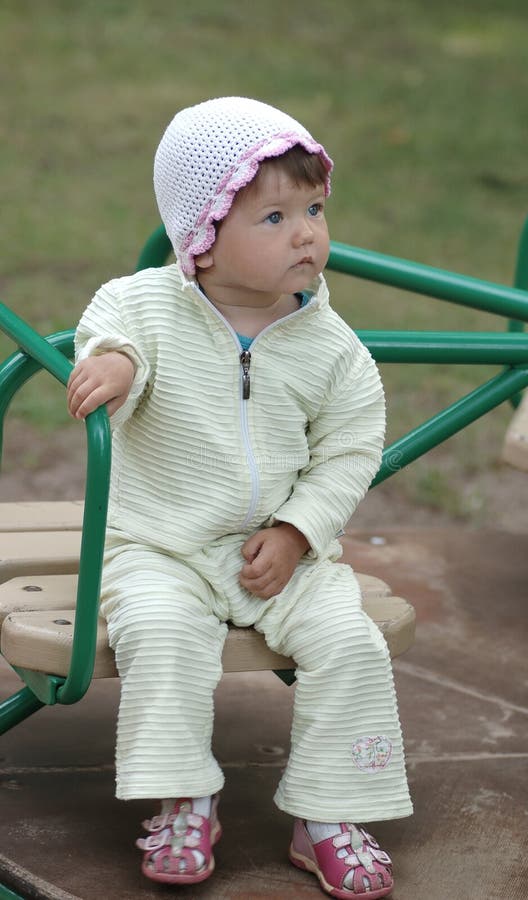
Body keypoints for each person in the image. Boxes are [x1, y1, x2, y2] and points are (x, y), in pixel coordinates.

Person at [67, 96, 412, 898]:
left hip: (284, 552)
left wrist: (297, 532)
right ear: (203, 240)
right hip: (163, 543)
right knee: (159, 630)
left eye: (315, 209)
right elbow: (109, 327)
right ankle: (185, 794)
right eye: (274, 216)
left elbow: (350, 451)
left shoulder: (331, 345)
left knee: (351, 644)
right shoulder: (149, 306)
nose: (305, 232)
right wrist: (118, 364)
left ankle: (329, 810)